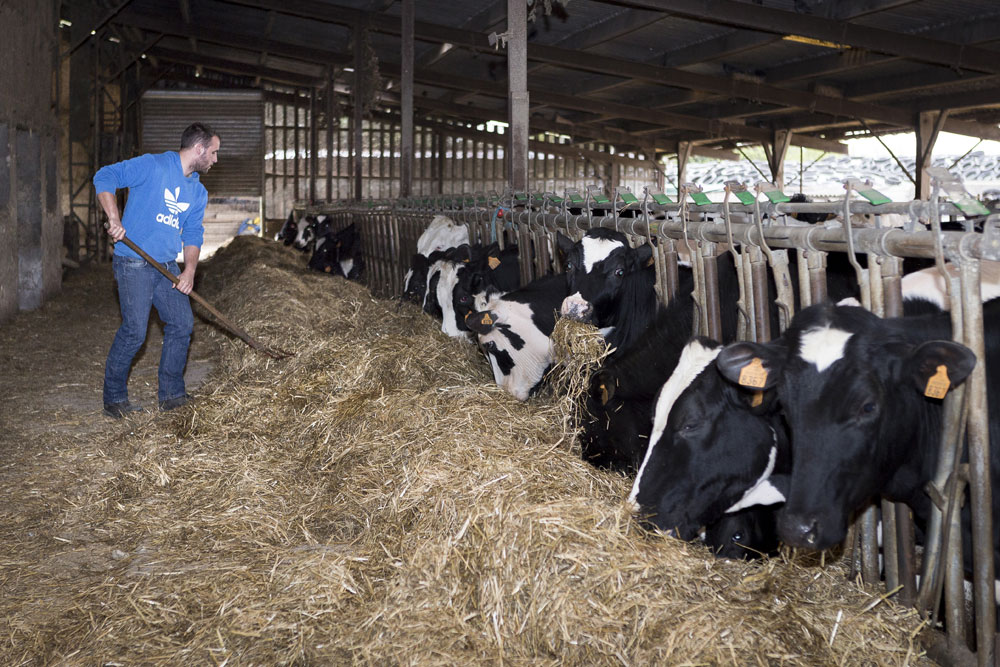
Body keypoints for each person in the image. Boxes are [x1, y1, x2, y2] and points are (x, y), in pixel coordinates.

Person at [95, 122, 220, 418]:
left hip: (166, 266)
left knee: (182, 324)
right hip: (133, 263)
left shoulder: (198, 192)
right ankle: (114, 399)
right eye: (213, 152)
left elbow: (192, 234)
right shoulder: (153, 166)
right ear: (199, 149)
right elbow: (105, 176)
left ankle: (172, 395)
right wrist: (114, 217)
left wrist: (189, 271)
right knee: (135, 332)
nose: (215, 159)